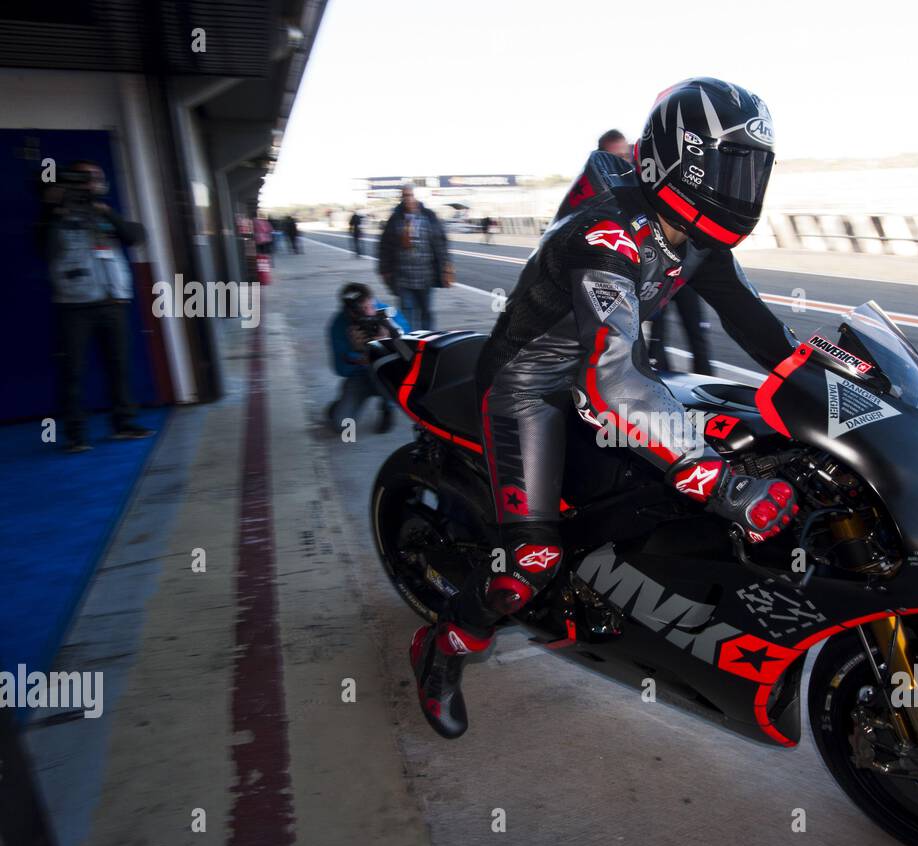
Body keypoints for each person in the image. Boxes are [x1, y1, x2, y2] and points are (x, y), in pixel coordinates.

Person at [410, 78, 800, 738]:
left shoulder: (698, 236)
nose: (746, 182)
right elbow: (610, 387)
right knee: (530, 560)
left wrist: (830, 375)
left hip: (609, 369)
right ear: (685, 159)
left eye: (754, 167)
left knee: (708, 455)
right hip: (529, 389)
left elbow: (754, 325)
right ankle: (444, 648)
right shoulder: (608, 236)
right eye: (734, 164)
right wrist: (727, 485)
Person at [38, 160, 156, 452]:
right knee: (73, 371)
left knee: (119, 366)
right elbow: (44, 249)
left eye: (95, 178)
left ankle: (124, 424)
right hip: (74, 305)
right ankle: (75, 436)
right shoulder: (56, 217)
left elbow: (135, 237)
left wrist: (107, 212)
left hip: (113, 302)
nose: (89, 184)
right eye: (83, 178)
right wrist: (52, 210)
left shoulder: (104, 214)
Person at [327, 282, 408, 434]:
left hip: (387, 375)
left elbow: (409, 351)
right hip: (360, 378)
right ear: (349, 312)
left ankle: (388, 406)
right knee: (342, 426)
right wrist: (356, 353)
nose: (369, 313)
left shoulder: (388, 314)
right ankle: (340, 406)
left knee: (410, 398)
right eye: (362, 310)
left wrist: (390, 340)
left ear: (372, 300)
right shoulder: (339, 325)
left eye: (370, 306)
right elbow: (340, 369)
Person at [378, 186, 453, 330]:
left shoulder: (429, 217)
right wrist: (384, 270)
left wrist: (446, 266)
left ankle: (427, 346)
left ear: (416, 197)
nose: (408, 198)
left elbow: (441, 243)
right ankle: (410, 347)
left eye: (410, 195)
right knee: (406, 317)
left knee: (426, 314)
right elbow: (385, 247)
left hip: (425, 278)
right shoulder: (395, 219)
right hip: (403, 279)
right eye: (405, 195)